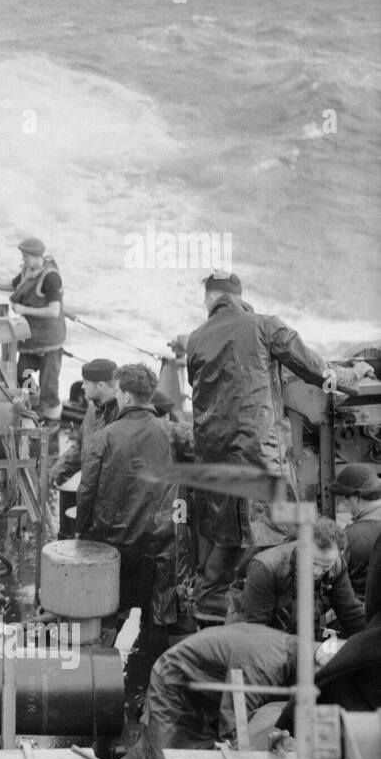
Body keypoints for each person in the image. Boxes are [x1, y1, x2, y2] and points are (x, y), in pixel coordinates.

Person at [185, 271, 369, 621]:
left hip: (216, 460)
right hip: (262, 454)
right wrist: (353, 377)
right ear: (240, 296)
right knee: (283, 529)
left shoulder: (195, 339)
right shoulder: (265, 325)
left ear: (208, 299)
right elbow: (317, 370)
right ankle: (282, 608)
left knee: (228, 537)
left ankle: (209, 606)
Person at [75, 363, 180, 713]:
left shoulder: (106, 436)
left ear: (123, 394)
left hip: (113, 547)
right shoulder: (171, 433)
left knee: (107, 617)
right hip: (160, 546)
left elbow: (87, 490)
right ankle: (149, 696)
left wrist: (81, 535)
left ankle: (95, 690)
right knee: (156, 621)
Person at [136, 623, 299, 759]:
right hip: (175, 682)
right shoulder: (266, 666)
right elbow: (233, 732)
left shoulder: (290, 649)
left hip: (206, 685)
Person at [225, 518, 366, 638]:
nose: (317, 572)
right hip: (252, 634)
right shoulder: (265, 569)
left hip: (295, 630)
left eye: (325, 566)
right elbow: (257, 629)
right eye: (313, 562)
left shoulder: (336, 565)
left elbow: (350, 612)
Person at [9, 237, 65, 422]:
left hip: (50, 341)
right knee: (21, 373)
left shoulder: (51, 277)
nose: (23, 259)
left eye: (25, 256)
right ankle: (36, 402)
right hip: (32, 339)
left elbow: (54, 310)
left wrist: (23, 310)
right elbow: (12, 285)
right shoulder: (28, 270)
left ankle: (52, 421)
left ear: (36, 256)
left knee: (49, 388)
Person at [51, 358, 118, 487]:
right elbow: (81, 446)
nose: (82, 386)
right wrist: (57, 472)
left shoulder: (123, 416)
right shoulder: (93, 409)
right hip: (90, 490)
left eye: (86, 383)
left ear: (101, 386)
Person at [331, 463, 381, 606]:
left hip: (363, 617)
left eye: (345, 497)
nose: (344, 504)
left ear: (357, 496)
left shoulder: (350, 537)